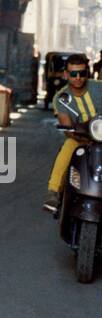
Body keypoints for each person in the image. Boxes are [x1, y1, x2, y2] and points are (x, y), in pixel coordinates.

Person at [43, 54, 102, 215]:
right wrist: (77, 134)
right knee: (69, 147)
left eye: (82, 73)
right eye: (74, 74)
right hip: (81, 138)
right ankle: (53, 192)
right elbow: (67, 127)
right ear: (66, 75)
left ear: (87, 73)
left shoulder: (99, 87)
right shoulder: (61, 99)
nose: (78, 78)